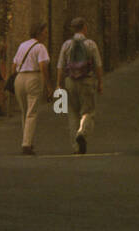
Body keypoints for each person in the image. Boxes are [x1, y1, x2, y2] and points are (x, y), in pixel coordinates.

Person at [57, 17, 104, 154]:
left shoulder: (66, 45)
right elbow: (98, 65)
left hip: (70, 82)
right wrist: (100, 82)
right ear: (84, 28)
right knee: (88, 111)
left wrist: (58, 84)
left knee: (72, 113)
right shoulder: (91, 44)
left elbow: (60, 66)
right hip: (87, 81)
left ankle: (76, 148)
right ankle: (82, 132)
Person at [12, 21, 50, 156]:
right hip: (33, 78)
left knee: (24, 112)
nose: (46, 35)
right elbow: (42, 67)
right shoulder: (40, 47)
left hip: (19, 78)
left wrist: (13, 78)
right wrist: (47, 85)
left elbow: (14, 63)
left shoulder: (23, 45)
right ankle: (27, 144)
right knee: (32, 112)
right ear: (39, 33)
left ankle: (26, 140)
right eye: (45, 32)